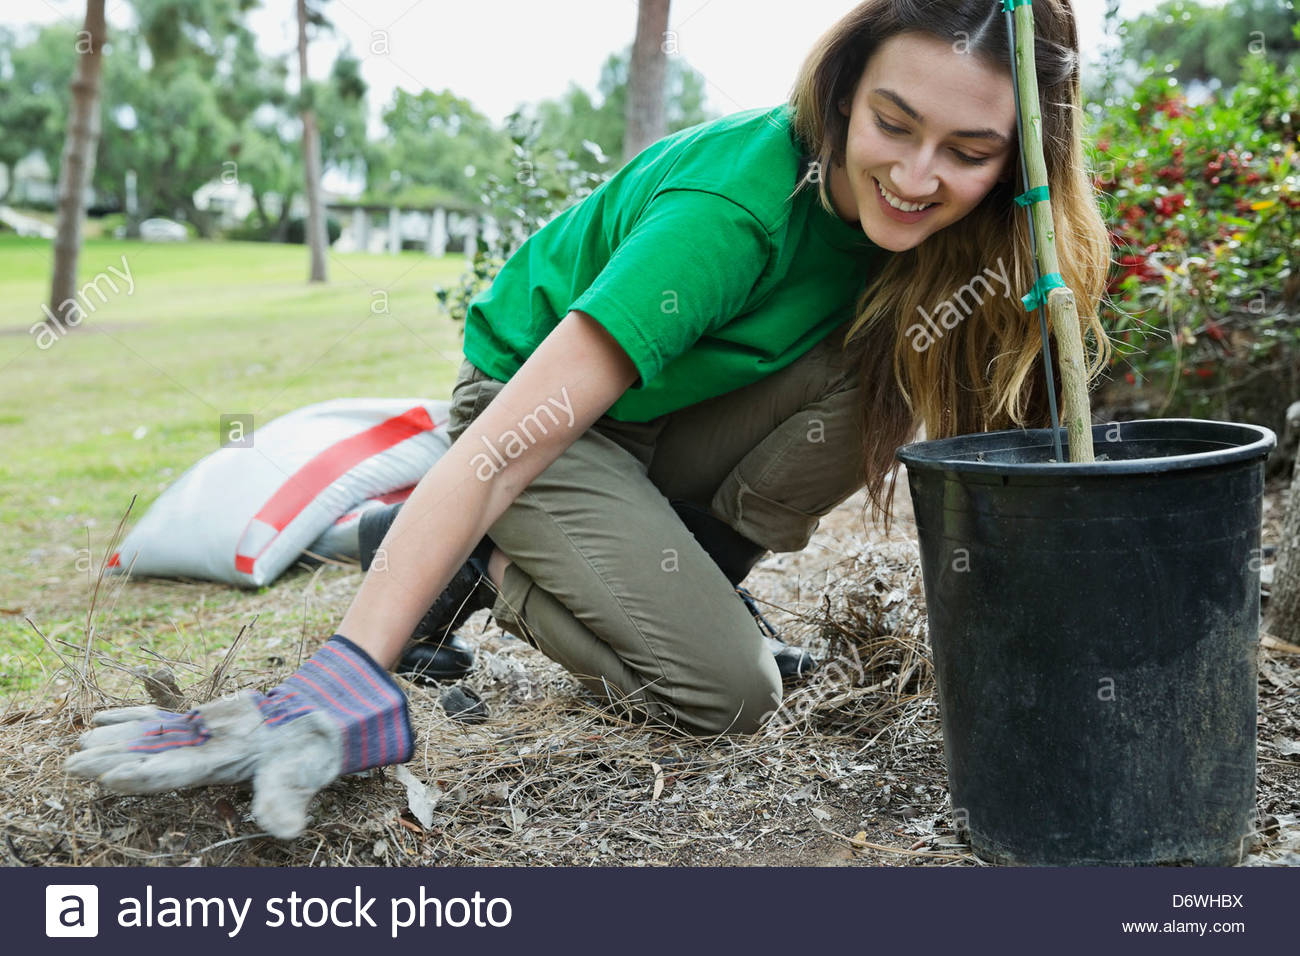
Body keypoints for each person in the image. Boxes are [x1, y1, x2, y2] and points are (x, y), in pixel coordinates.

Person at [66, 0, 1112, 839]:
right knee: (731, 696)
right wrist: (341, 681)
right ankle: (493, 565)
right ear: (841, 92)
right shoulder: (733, 212)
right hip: (538, 422)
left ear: (1022, 163)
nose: (918, 175)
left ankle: (643, 576)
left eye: (968, 151)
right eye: (892, 122)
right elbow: (499, 444)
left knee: (883, 371)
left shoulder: (952, 249)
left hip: (673, 411)